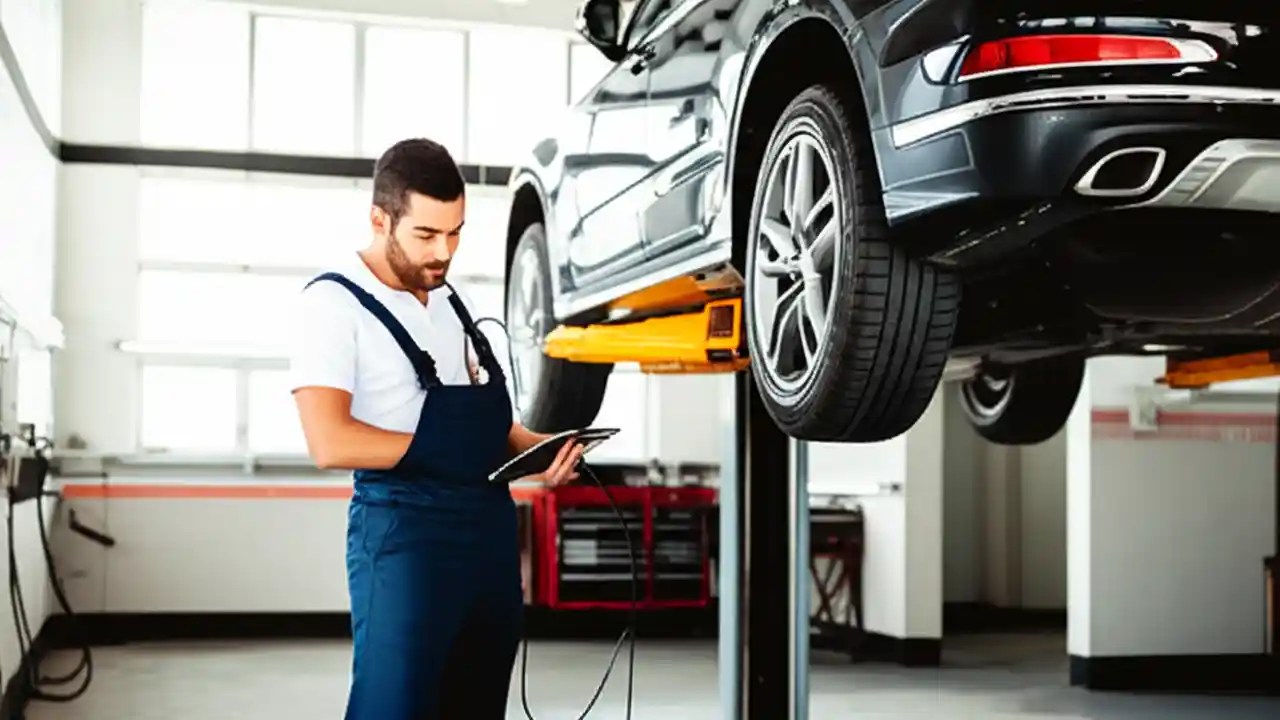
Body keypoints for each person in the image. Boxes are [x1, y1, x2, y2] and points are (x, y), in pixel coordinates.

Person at [288, 138, 582, 719]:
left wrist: (541, 451)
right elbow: (329, 441)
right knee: (394, 705)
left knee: (476, 701)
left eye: (456, 232)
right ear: (380, 218)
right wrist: (443, 451)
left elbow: (493, 431)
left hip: (489, 535)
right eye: (426, 235)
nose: (442, 252)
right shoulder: (332, 304)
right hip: (405, 535)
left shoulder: (453, 305)